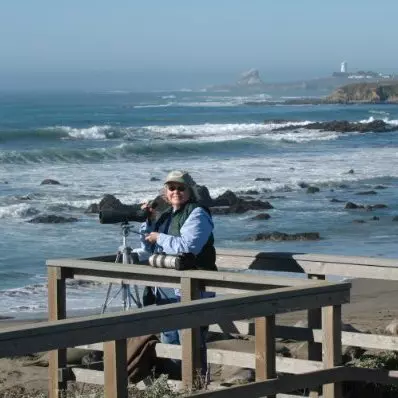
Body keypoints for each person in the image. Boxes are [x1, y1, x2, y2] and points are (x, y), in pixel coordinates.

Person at [133, 170, 217, 380]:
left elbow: (189, 247)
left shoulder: (198, 213)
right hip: (167, 285)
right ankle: (174, 385)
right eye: (172, 188)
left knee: (191, 338)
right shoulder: (167, 214)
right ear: (166, 191)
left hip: (195, 286)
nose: (176, 192)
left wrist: (159, 236)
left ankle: (196, 385)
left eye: (181, 188)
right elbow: (148, 246)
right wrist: (149, 221)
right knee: (169, 338)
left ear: (190, 191)